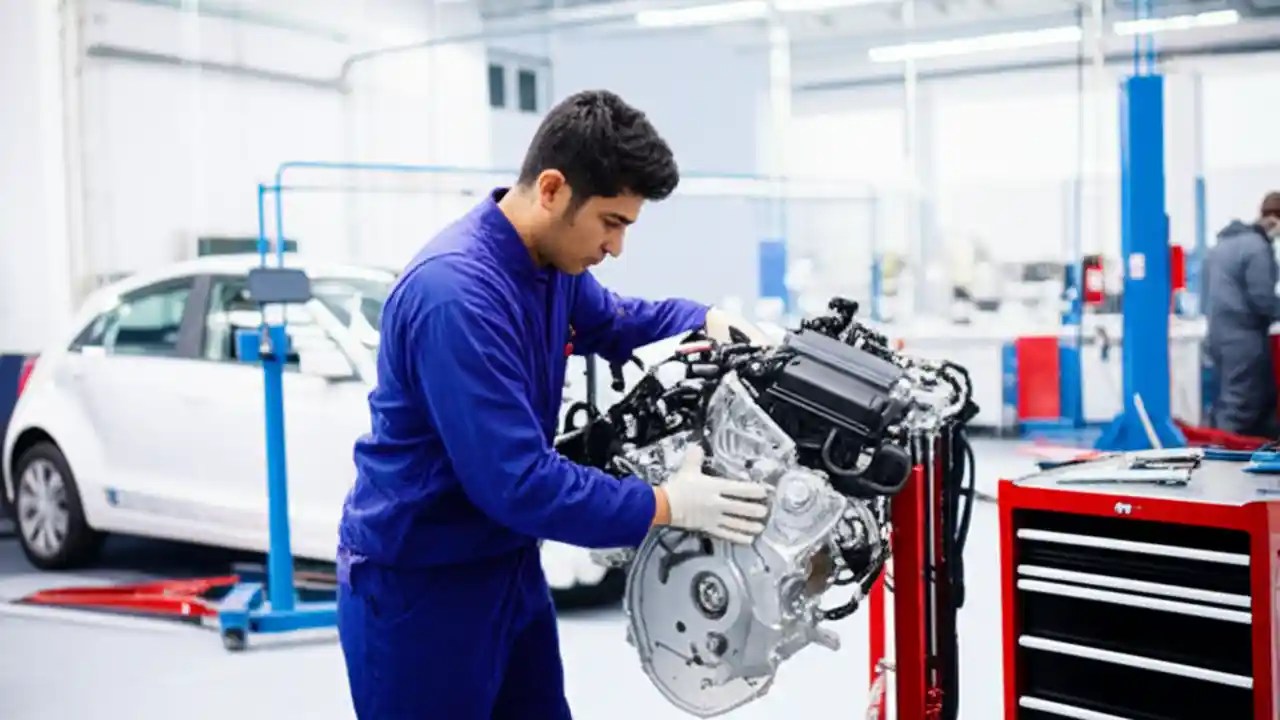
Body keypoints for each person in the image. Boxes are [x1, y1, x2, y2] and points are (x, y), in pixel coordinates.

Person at [334, 89, 774, 719]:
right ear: (551, 189)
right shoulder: (455, 296)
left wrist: (706, 319)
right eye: (611, 223)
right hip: (421, 588)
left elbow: (621, 322)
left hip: (505, 567)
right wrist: (668, 505)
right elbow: (517, 483)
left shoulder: (550, 267)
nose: (616, 247)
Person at [1203, 191, 1280, 437]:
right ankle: (1223, 461)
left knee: (1245, 400)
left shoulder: (1222, 245)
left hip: (1218, 336)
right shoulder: (1257, 248)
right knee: (1241, 406)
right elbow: (1263, 298)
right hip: (1244, 341)